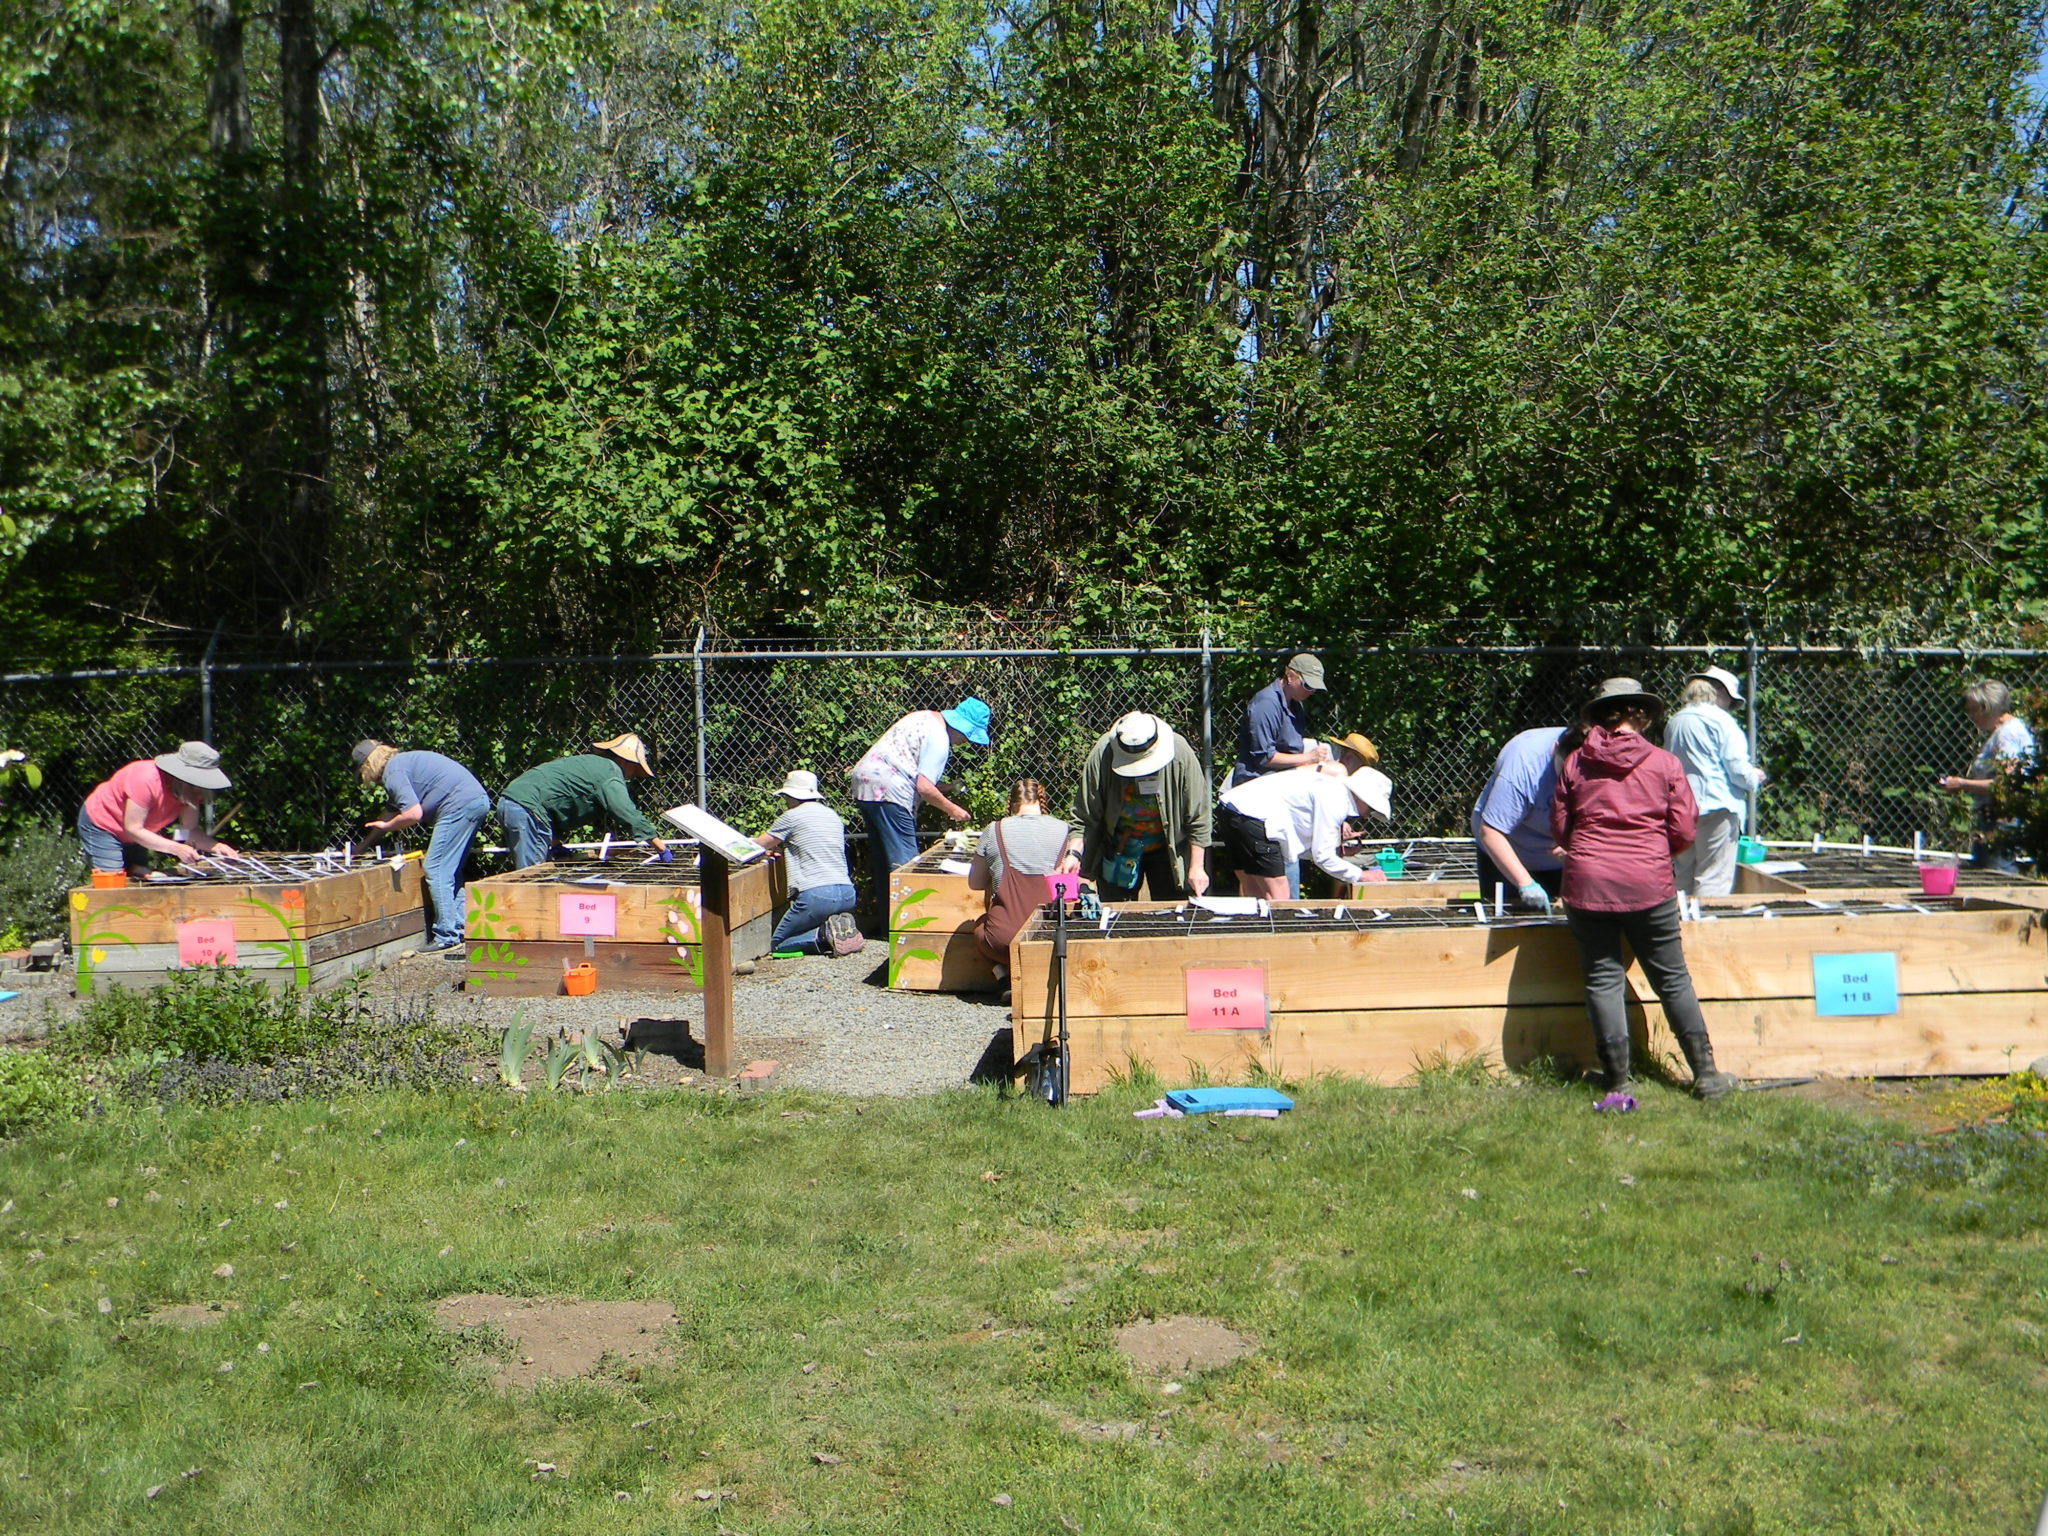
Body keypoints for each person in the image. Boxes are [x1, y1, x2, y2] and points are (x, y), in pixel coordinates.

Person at [1551, 678, 1737, 1101]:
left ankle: (1617, 1079)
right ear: (1642, 715)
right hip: (1649, 884)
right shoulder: (1664, 764)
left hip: (1588, 883)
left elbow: (1560, 828)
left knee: (1602, 979)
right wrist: (1651, 854)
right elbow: (1685, 828)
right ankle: (1706, 1074)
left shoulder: (1576, 763)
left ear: (1599, 717)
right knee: (1672, 979)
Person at [847, 697, 992, 918]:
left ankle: (888, 925)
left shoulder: (922, 717)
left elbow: (910, 769)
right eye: (967, 737)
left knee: (884, 860)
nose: (964, 743)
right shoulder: (940, 740)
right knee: (906, 865)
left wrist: (944, 788)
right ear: (962, 728)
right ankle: (911, 926)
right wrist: (953, 810)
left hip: (866, 783)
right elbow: (924, 787)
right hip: (891, 792)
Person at [352, 740, 491, 952]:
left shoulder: (393, 773)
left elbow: (412, 814)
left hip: (457, 805)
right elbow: (389, 814)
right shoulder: (401, 765)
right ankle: (460, 926)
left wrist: (389, 826)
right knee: (449, 869)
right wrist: (361, 847)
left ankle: (447, 935)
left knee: (435, 867)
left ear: (367, 766)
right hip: (474, 800)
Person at [1061, 712, 1212, 900]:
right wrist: (1073, 855)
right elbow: (1085, 815)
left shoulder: (1180, 752)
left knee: (1172, 917)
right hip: (1120, 848)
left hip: (1168, 850)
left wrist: (1197, 867)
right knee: (1116, 916)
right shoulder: (1102, 753)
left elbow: (1199, 815)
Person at [1662, 667, 1766, 897]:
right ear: (1720, 691)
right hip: (1718, 807)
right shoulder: (1722, 721)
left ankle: (1679, 927)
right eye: (1730, 698)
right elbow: (1737, 768)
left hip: (1682, 807)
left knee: (1683, 874)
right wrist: (1754, 777)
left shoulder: (1676, 721)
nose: (1729, 705)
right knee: (1713, 876)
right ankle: (1708, 927)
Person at [1217, 764, 1392, 899]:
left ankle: (1254, 940)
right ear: (1363, 797)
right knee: (1280, 896)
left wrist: (1338, 852)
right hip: (1252, 816)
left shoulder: (1329, 788)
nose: (1369, 815)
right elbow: (1323, 858)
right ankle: (1280, 944)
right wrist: (1361, 875)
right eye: (1371, 809)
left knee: (1253, 890)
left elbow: (1313, 848)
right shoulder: (1337, 798)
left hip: (1230, 810)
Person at [497, 733, 670, 869]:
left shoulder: (593, 765)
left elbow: (554, 799)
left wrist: (555, 843)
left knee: (532, 873)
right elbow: (626, 813)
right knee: (531, 881)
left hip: (513, 802)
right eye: (635, 767)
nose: (633, 774)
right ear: (625, 760)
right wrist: (660, 848)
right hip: (526, 808)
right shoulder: (609, 772)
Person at [78, 742, 240, 876]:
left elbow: (187, 830)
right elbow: (133, 829)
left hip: (139, 832)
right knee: (112, 879)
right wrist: (175, 848)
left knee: (139, 877)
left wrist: (214, 846)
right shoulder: (145, 779)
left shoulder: (192, 791)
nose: (201, 789)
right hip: (103, 824)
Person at [753, 770, 863, 956]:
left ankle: (823, 934)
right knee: (808, 928)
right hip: (846, 893)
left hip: (816, 895)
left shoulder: (791, 816)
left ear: (791, 795)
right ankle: (839, 931)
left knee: (779, 943)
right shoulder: (832, 815)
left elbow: (757, 845)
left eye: (786, 797)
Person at [968, 779, 1070, 971]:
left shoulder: (994, 830)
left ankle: (1003, 976)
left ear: (1012, 804)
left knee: (980, 926)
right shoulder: (1065, 830)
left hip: (1002, 940)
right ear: (1042, 800)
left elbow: (975, 883)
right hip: (1051, 936)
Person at [1940, 679, 2037, 874]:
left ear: (1988, 707)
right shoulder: (2006, 731)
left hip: (2001, 818)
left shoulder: (2007, 735)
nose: (1972, 716)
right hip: (1994, 816)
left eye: (1974, 710)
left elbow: (2005, 784)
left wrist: (1962, 784)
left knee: (1998, 875)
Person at [1470, 726, 1570, 914]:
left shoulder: (1604, 763)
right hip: (1509, 850)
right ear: (1555, 750)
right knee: (1506, 922)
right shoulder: (1524, 765)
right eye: (1564, 770)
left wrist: (1579, 843)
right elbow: (1491, 832)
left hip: (1562, 859)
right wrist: (1526, 884)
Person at [1231, 653, 1332, 786]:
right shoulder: (1266, 704)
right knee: (1335, 772)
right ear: (1290, 676)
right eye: (1307, 685)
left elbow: (1291, 747)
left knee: (1333, 767)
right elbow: (1264, 759)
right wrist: (1309, 757)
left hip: (1281, 773)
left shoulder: (1296, 703)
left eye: (1314, 688)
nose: (1310, 691)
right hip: (1257, 779)